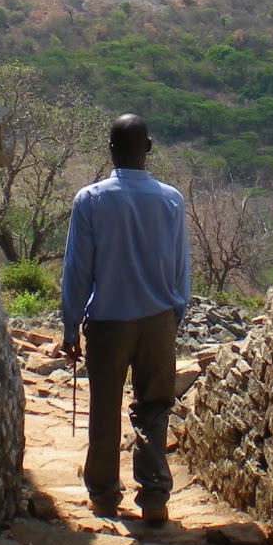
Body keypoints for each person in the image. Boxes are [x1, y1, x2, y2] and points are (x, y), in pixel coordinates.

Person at [60, 113, 191, 523]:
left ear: (110, 150)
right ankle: (153, 496)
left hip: (107, 324)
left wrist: (69, 326)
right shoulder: (170, 199)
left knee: (104, 407)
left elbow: (78, 270)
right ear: (148, 148)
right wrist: (175, 314)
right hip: (158, 319)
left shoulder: (91, 200)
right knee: (153, 406)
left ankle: (103, 495)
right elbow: (180, 267)